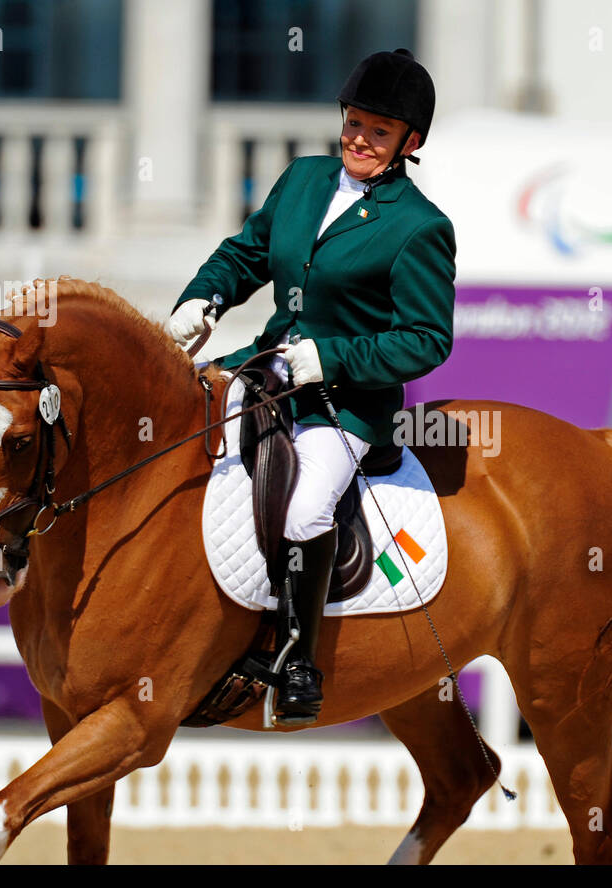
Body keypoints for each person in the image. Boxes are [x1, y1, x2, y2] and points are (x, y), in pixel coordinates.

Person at [167, 49, 456, 725]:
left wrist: (332, 357)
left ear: (409, 142)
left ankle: (299, 660)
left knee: (303, 511)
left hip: (345, 405)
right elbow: (247, 252)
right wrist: (203, 298)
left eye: (379, 131)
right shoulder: (303, 179)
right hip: (265, 366)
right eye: (354, 123)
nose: (359, 139)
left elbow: (426, 340)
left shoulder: (419, 226)